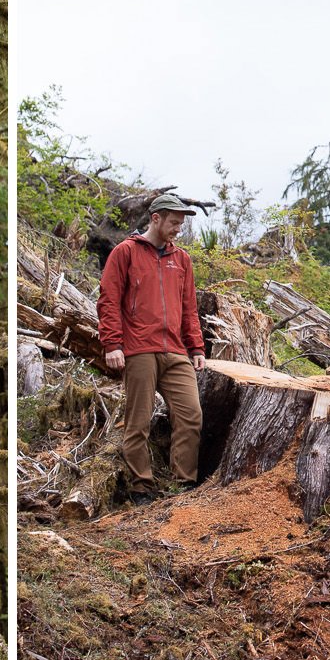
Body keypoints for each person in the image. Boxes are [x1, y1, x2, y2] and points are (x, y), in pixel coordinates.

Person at [97, 192, 206, 503]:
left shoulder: (181, 259)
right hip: (138, 349)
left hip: (175, 351)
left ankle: (182, 485)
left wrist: (196, 346)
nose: (177, 229)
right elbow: (108, 301)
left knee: (191, 416)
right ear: (155, 219)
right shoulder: (125, 253)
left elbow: (189, 308)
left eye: (181, 224)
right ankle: (141, 486)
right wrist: (112, 343)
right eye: (173, 223)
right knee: (138, 422)